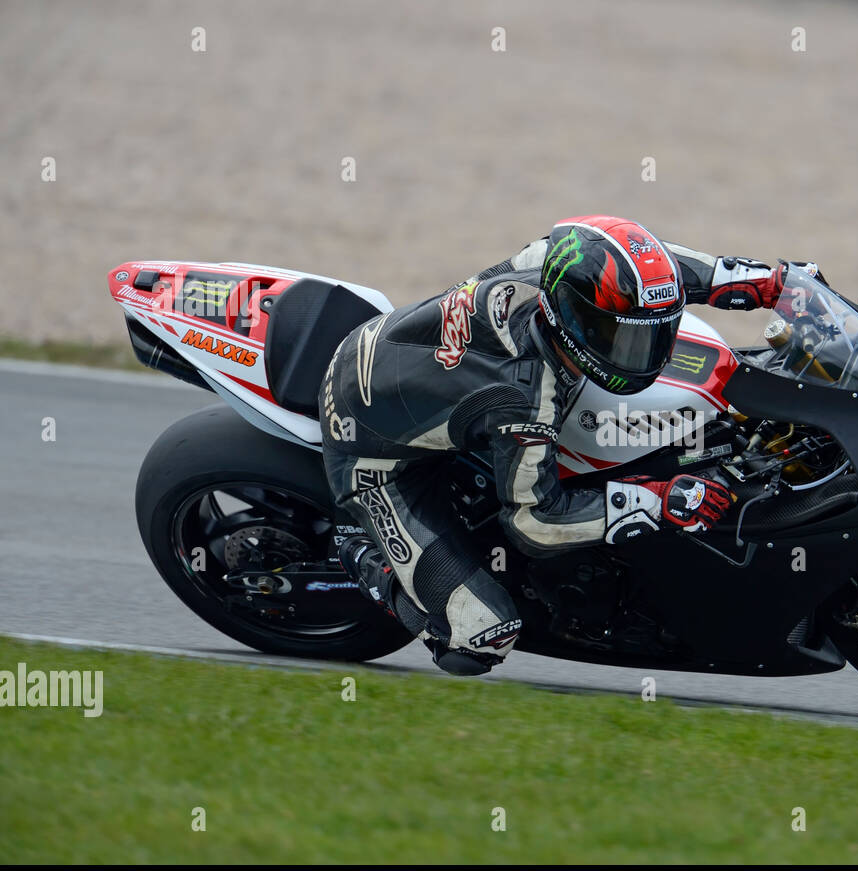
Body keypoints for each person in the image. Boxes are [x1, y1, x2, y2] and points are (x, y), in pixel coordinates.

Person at [319, 215, 813, 674]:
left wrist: (763, 282)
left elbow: (648, 269)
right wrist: (657, 500)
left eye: (648, 336)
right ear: (569, 319)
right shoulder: (524, 395)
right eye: (616, 336)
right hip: (372, 450)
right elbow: (536, 522)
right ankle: (363, 557)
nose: (642, 354)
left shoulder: (553, 263)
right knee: (480, 638)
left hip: (399, 362)